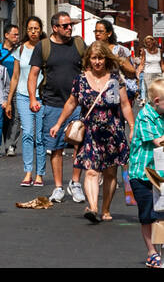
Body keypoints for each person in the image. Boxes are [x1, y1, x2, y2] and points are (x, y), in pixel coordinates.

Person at [48, 40, 135, 224]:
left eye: (101, 58)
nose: (97, 62)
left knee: (111, 173)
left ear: (106, 59)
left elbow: (125, 104)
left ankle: (106, 209)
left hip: (113, 130)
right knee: (91, 171)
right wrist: (58, 124)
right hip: (90, 131)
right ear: (88, 59)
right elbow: (71, 103)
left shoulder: (115, 79)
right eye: (94, 58)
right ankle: (93, 207)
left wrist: (132, 127)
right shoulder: (80, 80)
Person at [29, 11, 86, 204]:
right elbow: (33, 74)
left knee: (79, 143)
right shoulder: (43, 47)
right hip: (52, 103)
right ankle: (58, 187)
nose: (69, 28)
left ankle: (76, 183)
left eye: (70, 25)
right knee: (56, 147)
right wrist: (32, 98)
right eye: (65, 25)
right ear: (55, 28)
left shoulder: (78, 44)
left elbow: (88, 69)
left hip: (77, 103)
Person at [126, 77, 164, 267]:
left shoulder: (161, 114)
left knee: (162, 214)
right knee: (148, 214)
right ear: (157, 101)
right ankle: (152, 252)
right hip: (142, 175)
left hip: (160, 175)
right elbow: (160, 141)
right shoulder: (145, 116)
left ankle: (160, 250)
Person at [5, 17, 47, 187]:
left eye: (36, 28)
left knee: (41, 136)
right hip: (22, 96)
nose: (33, 32)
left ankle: (40, 174)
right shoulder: (20, 50)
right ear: (26, 30)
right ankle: (28, 171)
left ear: (41, 29)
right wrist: (8, 101)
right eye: (30, 29)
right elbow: (15, 77)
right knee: (28, 133)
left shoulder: (46, 48)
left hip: (42, 96)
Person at [0, 24, 22, 155]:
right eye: (14, 34)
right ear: (6, 35)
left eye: (18, 34)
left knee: (16, 117)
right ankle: (4, 142)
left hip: (17, 87)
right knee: (3, 118)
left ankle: (11, 145)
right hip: (1, 90)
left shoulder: (20, 50)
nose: (17, 37)